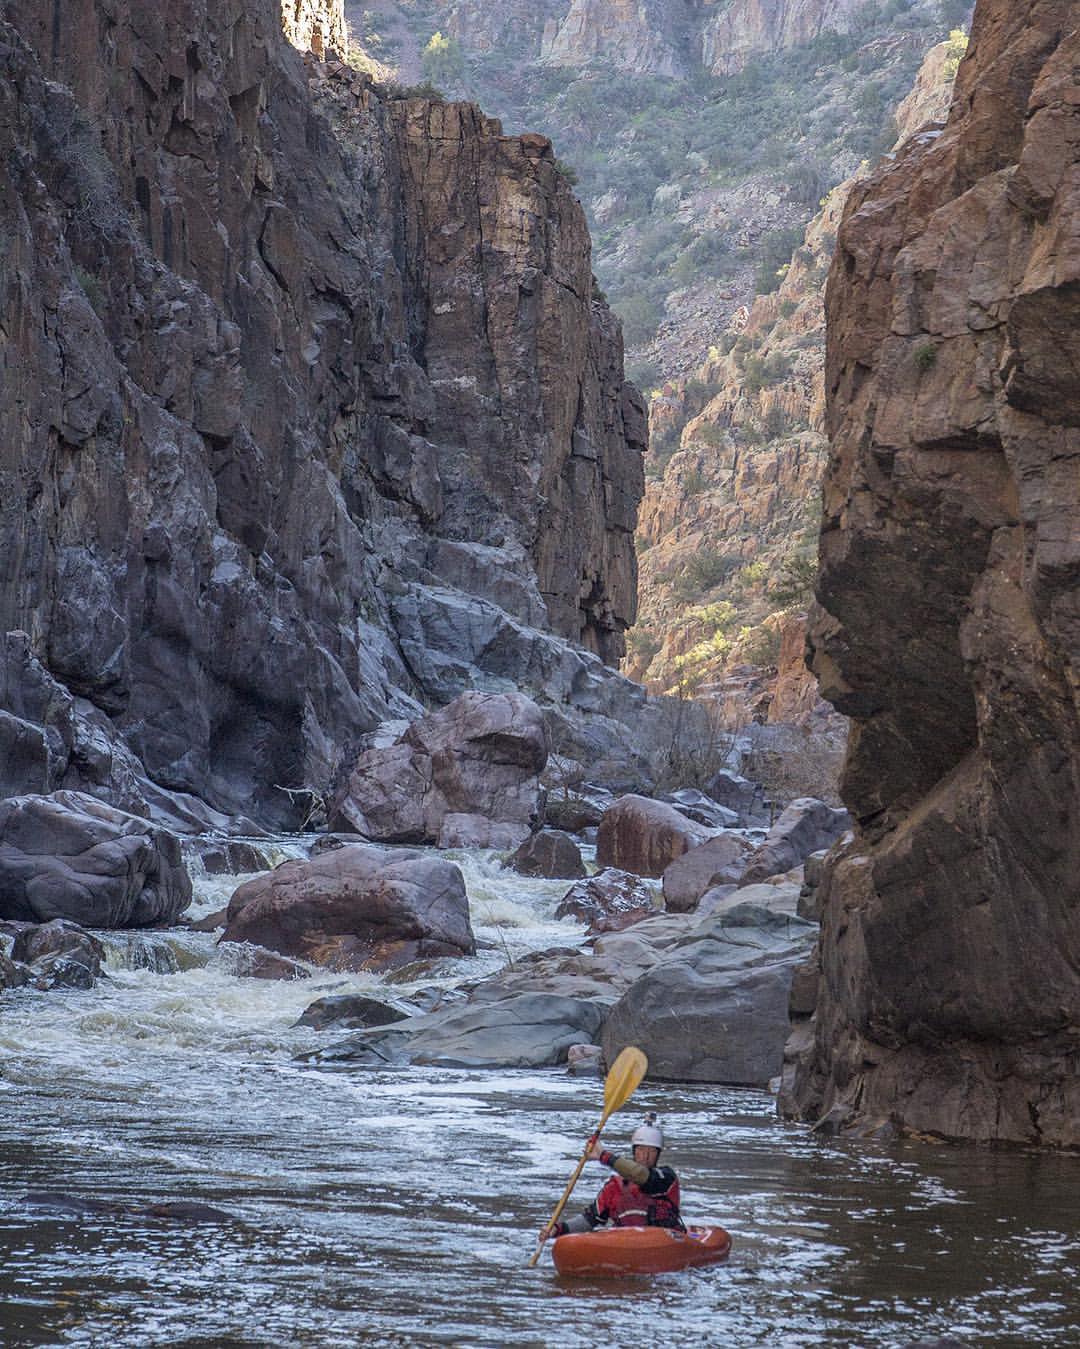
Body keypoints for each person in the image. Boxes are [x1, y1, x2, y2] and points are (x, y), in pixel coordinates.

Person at [540, 1113, 684, 1239]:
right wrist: (557, 1229)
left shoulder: (665, 1178)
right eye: (641, 1150)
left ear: (658, 1154)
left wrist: (603, 1156)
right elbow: (589, 1220)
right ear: (634, 1151)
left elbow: (641, 1175)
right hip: (626, 1243)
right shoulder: (614, 1187)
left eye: (652, 1151)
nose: (645, 1156)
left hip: (663, 1240)